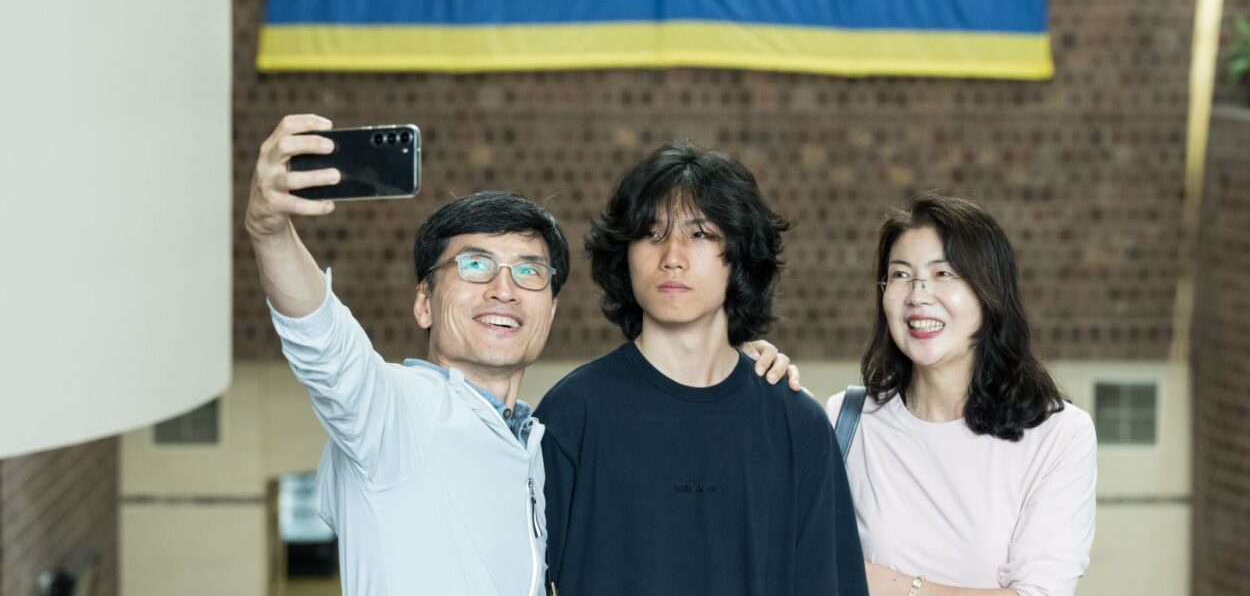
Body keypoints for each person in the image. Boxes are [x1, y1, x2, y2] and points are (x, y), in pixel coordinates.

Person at [245, 116, 797, 596]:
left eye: (529, 271)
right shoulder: (395, 416)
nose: (503, 290)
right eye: (475, 266)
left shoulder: (536, 442)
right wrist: (270, 231)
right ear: (424, 302)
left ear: (551, 311)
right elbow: (324, 343)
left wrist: (722, 358)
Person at [538, 142, 868, 596]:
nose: (672, 256)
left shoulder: (797, 425)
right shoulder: (570, 416)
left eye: (699, 234)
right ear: (625, 254)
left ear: (739, 255)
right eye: (651, 233)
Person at [826, 194, 1097, 596]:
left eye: (943, 274)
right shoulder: (846, 420)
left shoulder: (1057, 435)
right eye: (900, 275)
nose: (918, 295)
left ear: (989, 293)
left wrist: (883, 583)